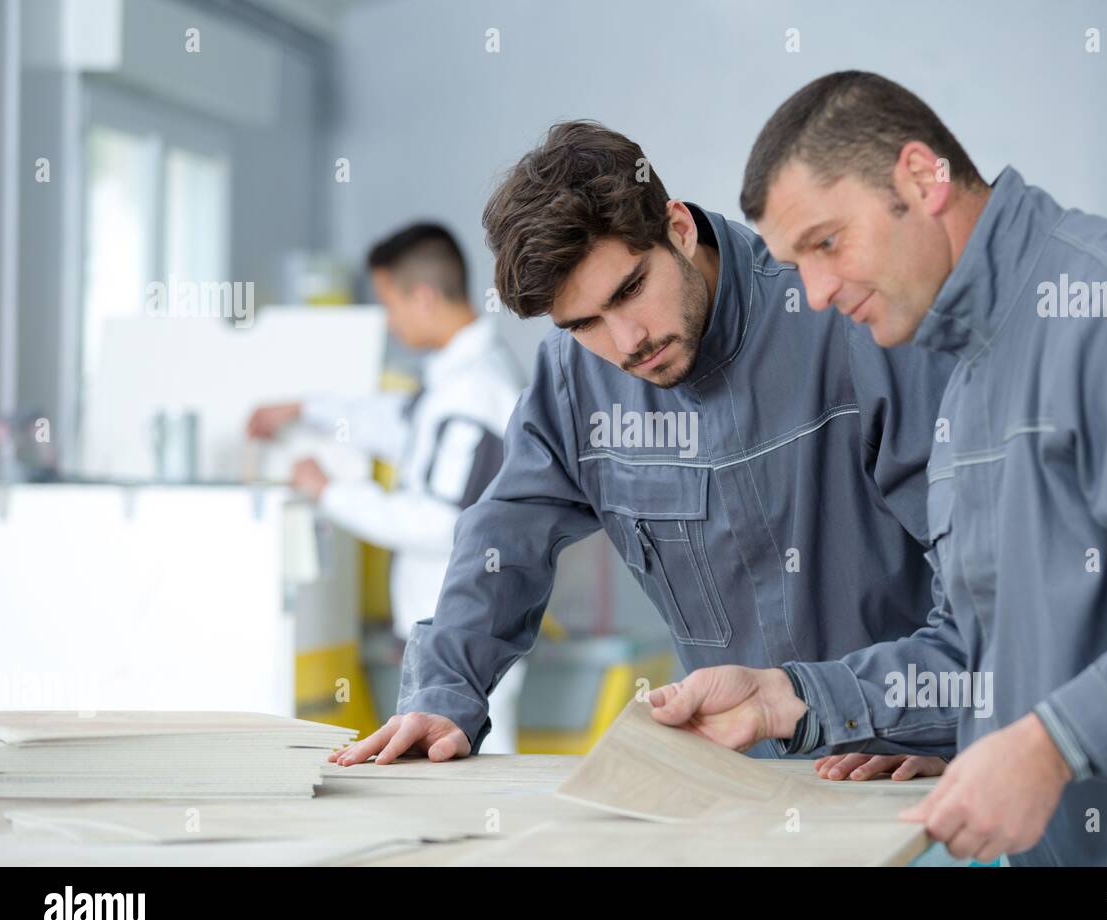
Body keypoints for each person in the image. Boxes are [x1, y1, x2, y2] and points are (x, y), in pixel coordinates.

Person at [650, 71, 1107, 866]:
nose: (814, 294)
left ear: (922, 179)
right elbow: (975, 657)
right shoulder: (968, 381)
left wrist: (1052, 745)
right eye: (795, 263)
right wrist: (790, 698)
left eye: (826, 242)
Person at [331, 121, 956, 772]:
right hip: (738, 789)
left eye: (629, 289)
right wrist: (443, 695)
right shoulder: (576, 379)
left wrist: (932, 727)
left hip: (902, 772)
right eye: (583, 322)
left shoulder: (850, 322)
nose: (625, 340)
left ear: (679, 229)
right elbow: (501, 540)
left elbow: (988, 586)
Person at [247, 223, 528, 752]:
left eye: (389, 303)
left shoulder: (475, 391)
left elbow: (444, 521)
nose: (389, 321)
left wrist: (328, 492)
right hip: (450, 631)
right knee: (448, 777)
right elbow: (402, 427)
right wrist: (307, 409)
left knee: (472, 778)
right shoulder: (454, 382)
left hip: (463, 634)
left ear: (422, 298)